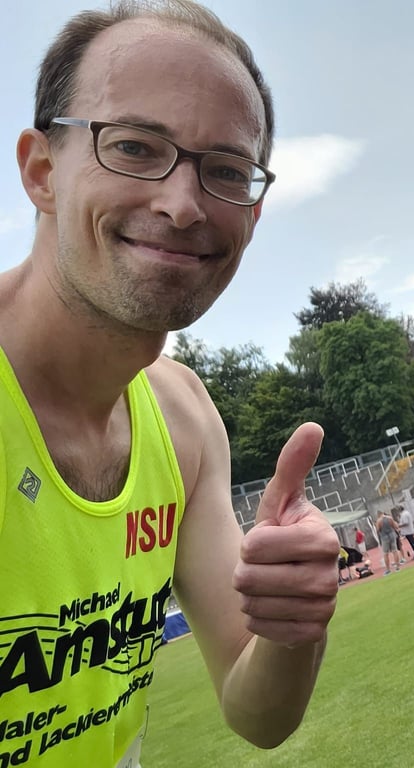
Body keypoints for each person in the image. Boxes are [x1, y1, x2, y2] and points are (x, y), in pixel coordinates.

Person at [0, 3, 341, 765]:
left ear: (254, 211)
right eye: (133, 146)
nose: (182, 205)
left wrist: (291, 628)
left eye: (225, 170)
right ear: (42, 171)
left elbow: (257, 714)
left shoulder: (183, 415)